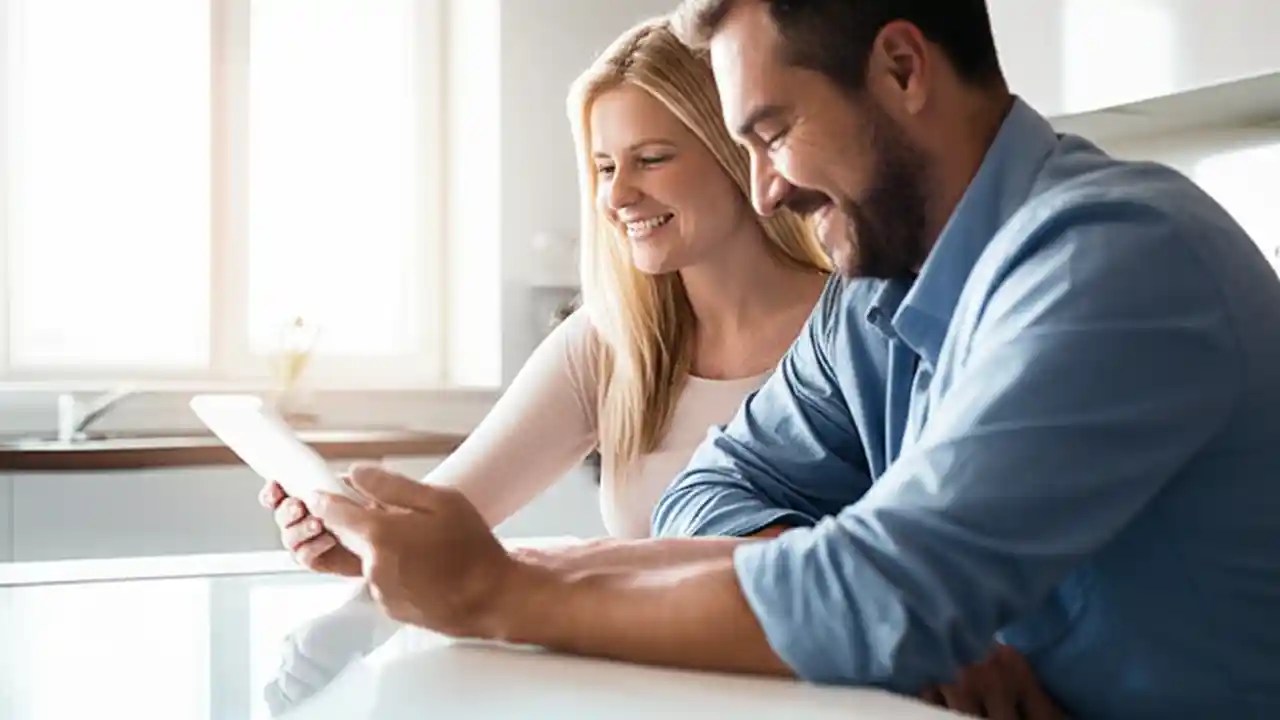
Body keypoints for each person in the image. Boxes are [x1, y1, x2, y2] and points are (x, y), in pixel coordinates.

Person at [303, 1, 1280, 717]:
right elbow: (713, 486)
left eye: (771, 133)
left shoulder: (1112, 259)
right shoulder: (880, 292)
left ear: (901, 68)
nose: (765, 190)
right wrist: (833, 583)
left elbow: (881, 594)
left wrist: (497, 591)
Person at [259, 17, 828, 571]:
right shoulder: (609, 342)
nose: (618, 196)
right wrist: (347, 534)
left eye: (651, 159)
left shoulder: (849, 331)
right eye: (605, 167)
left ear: (740, 153)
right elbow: (437, 519)